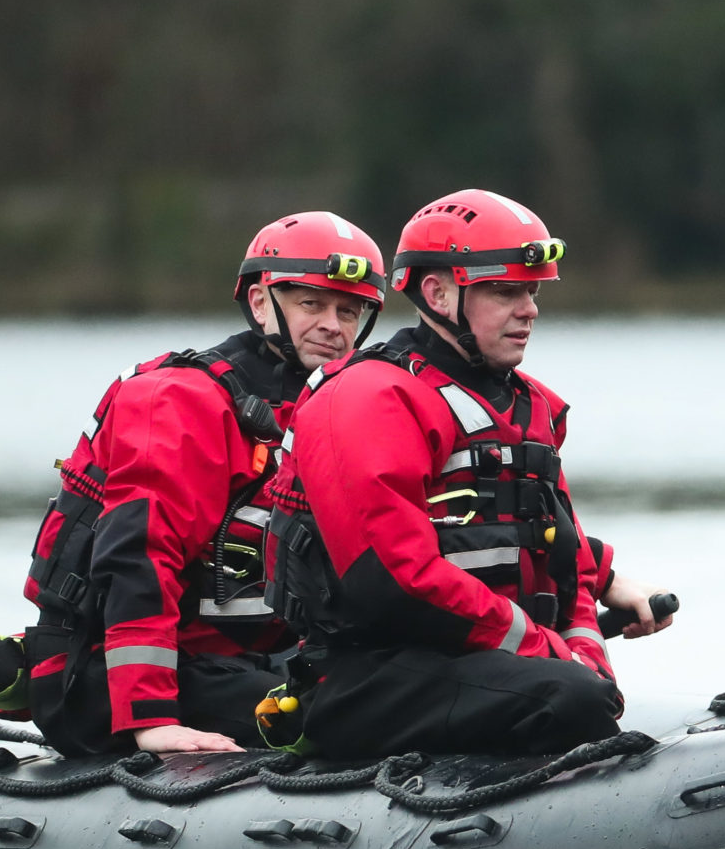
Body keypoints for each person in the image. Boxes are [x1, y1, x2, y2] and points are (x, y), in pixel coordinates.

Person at [258, 188, 672, 763]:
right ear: (439, 292)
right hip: (371, 678)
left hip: (484, 668)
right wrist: (547, 653)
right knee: (568, 696)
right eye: (505, 291)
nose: (528, 309)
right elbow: (396, 581)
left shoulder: (533, 408)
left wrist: (585, 652)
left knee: (580, 690)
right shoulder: (368, 397)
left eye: (530, 291)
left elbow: (564, 563)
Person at [0, 212, 388, 754]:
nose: (333, 324)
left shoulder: (329, 411)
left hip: (251, 665)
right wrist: (152, 721)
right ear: (260, 303)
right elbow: (138, 560)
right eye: (312, 304)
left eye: (349, 311)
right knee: (351, 720)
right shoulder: (179, 400)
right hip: (108, 680)